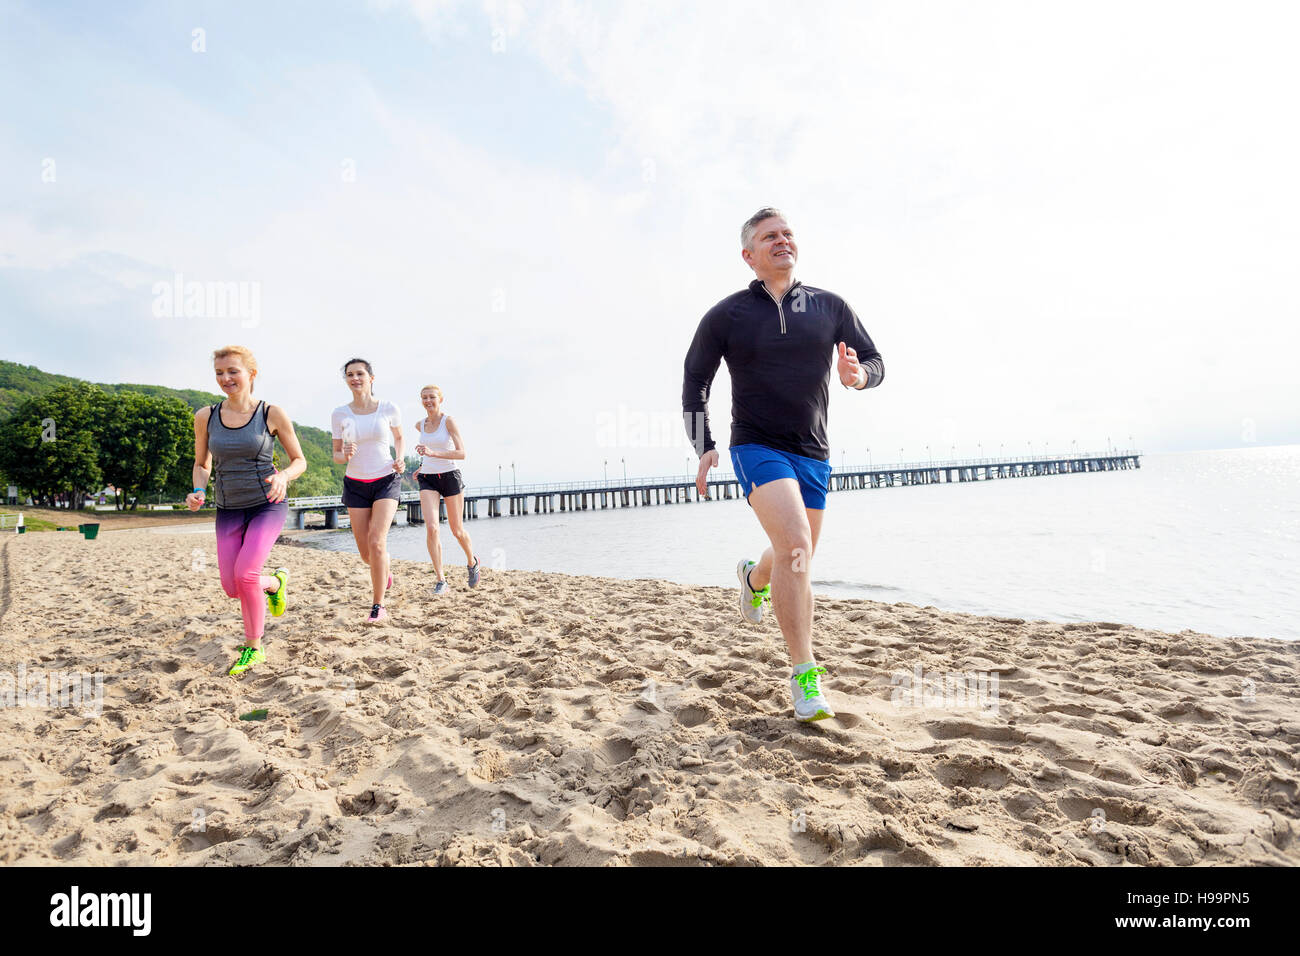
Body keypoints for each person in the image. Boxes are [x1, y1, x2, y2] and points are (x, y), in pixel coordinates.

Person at [682, 207, 885, 721]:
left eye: (788, 233)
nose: (782, 241)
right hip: (756, 445)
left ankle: (753, 579)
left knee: (797, 552)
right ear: (749, 255)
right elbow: (695, 382)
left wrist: (857, 376)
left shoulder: (830, 306)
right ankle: (805, 677)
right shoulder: (726, 315)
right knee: (796, 545)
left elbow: (876, 362)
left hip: (813, 450)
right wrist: (703, 443)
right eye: (770, 236)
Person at [187, 345, 307, 677]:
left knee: (245, 575)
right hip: (228, 508)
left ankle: (253, 648)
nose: (226, 378)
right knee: (232, 587)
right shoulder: (205, 416)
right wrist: (197, 490)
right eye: (219, 373)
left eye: (233, 371)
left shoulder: (271, 414)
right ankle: (275, 584)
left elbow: (300, 460)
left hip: (266, 504)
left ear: (251, 374)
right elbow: (201, 464)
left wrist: (283, 475)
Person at [331, 358, 404, 623]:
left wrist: (401, 457)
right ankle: (382, 571)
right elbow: (337, 455)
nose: (355, 378)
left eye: (360, 373)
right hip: (355, 483)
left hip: (386, 478)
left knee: (377, 541)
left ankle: (378, 606)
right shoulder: (340, 413)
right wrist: (344, 453)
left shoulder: (387, 407)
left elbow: (399, 437)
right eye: (349, 374)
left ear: (371, 378)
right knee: (365, 554)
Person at [413, 385, 480, 593]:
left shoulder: (448, 421)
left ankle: (472, 561)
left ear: (440, 399)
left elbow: (462, 454)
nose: (428, 401)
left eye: (432, 397)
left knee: (457, 530)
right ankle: (441, 580)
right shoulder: (419, 425)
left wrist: (433, 453)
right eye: (424, 397)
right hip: (428, 479)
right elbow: (427, 452)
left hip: (450, 477)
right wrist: (423, 465)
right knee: (432, 528)